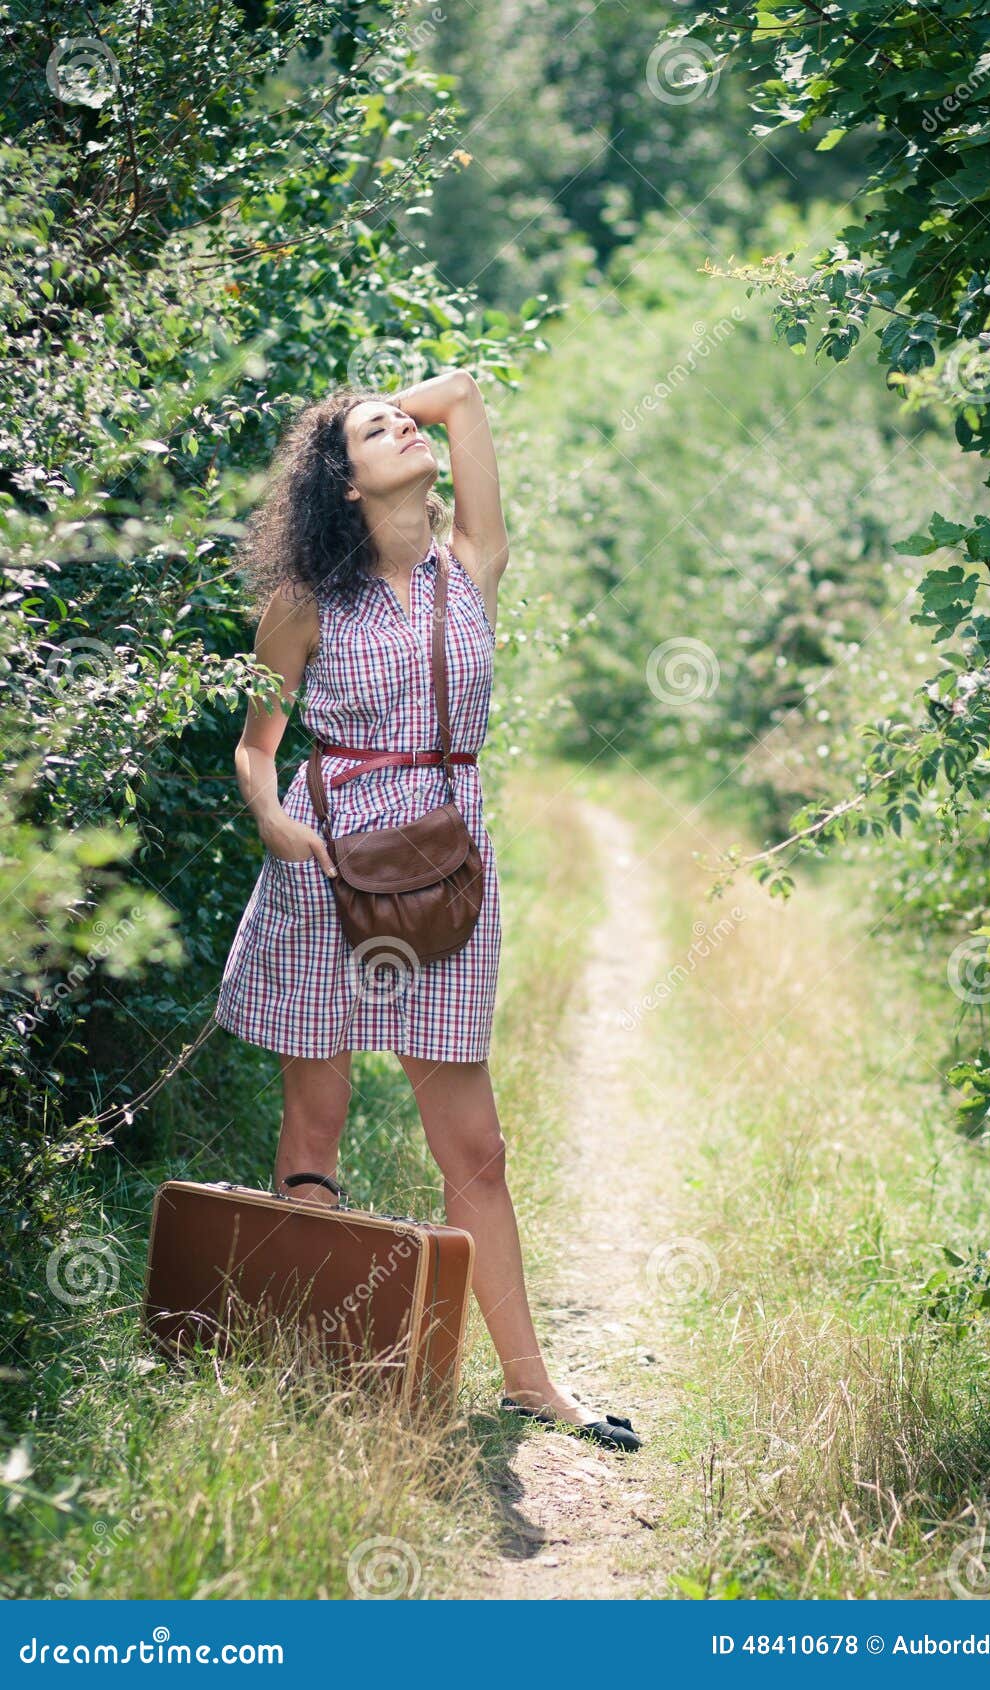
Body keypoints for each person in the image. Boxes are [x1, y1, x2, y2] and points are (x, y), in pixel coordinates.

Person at [214, 369, 641, 1452]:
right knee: (314, 1124)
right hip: (327, 867)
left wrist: (356, 426)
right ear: (346, 485)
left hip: (447, 872)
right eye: (378, 431)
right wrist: (271, 816)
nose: (406, 428)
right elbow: (257, 747)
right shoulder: (304, 600)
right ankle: (306, 1364)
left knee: (476, 1147)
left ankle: (532, 1386)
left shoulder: (470, 564)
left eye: (402, 423)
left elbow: (462, 393)